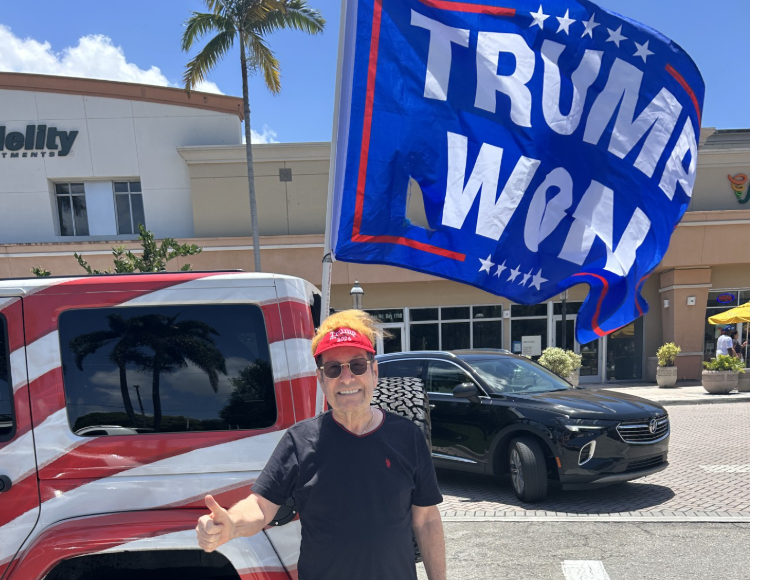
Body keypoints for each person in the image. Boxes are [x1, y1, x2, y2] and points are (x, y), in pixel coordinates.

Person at [195, 310, 446, 580]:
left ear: (374, 372)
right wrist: (231, 524)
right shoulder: (299, 441)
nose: (347, 379)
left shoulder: (408, 437)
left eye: (358, 365)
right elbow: (260, 505)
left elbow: (426, 519)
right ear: (321, 379)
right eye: (334, 369)